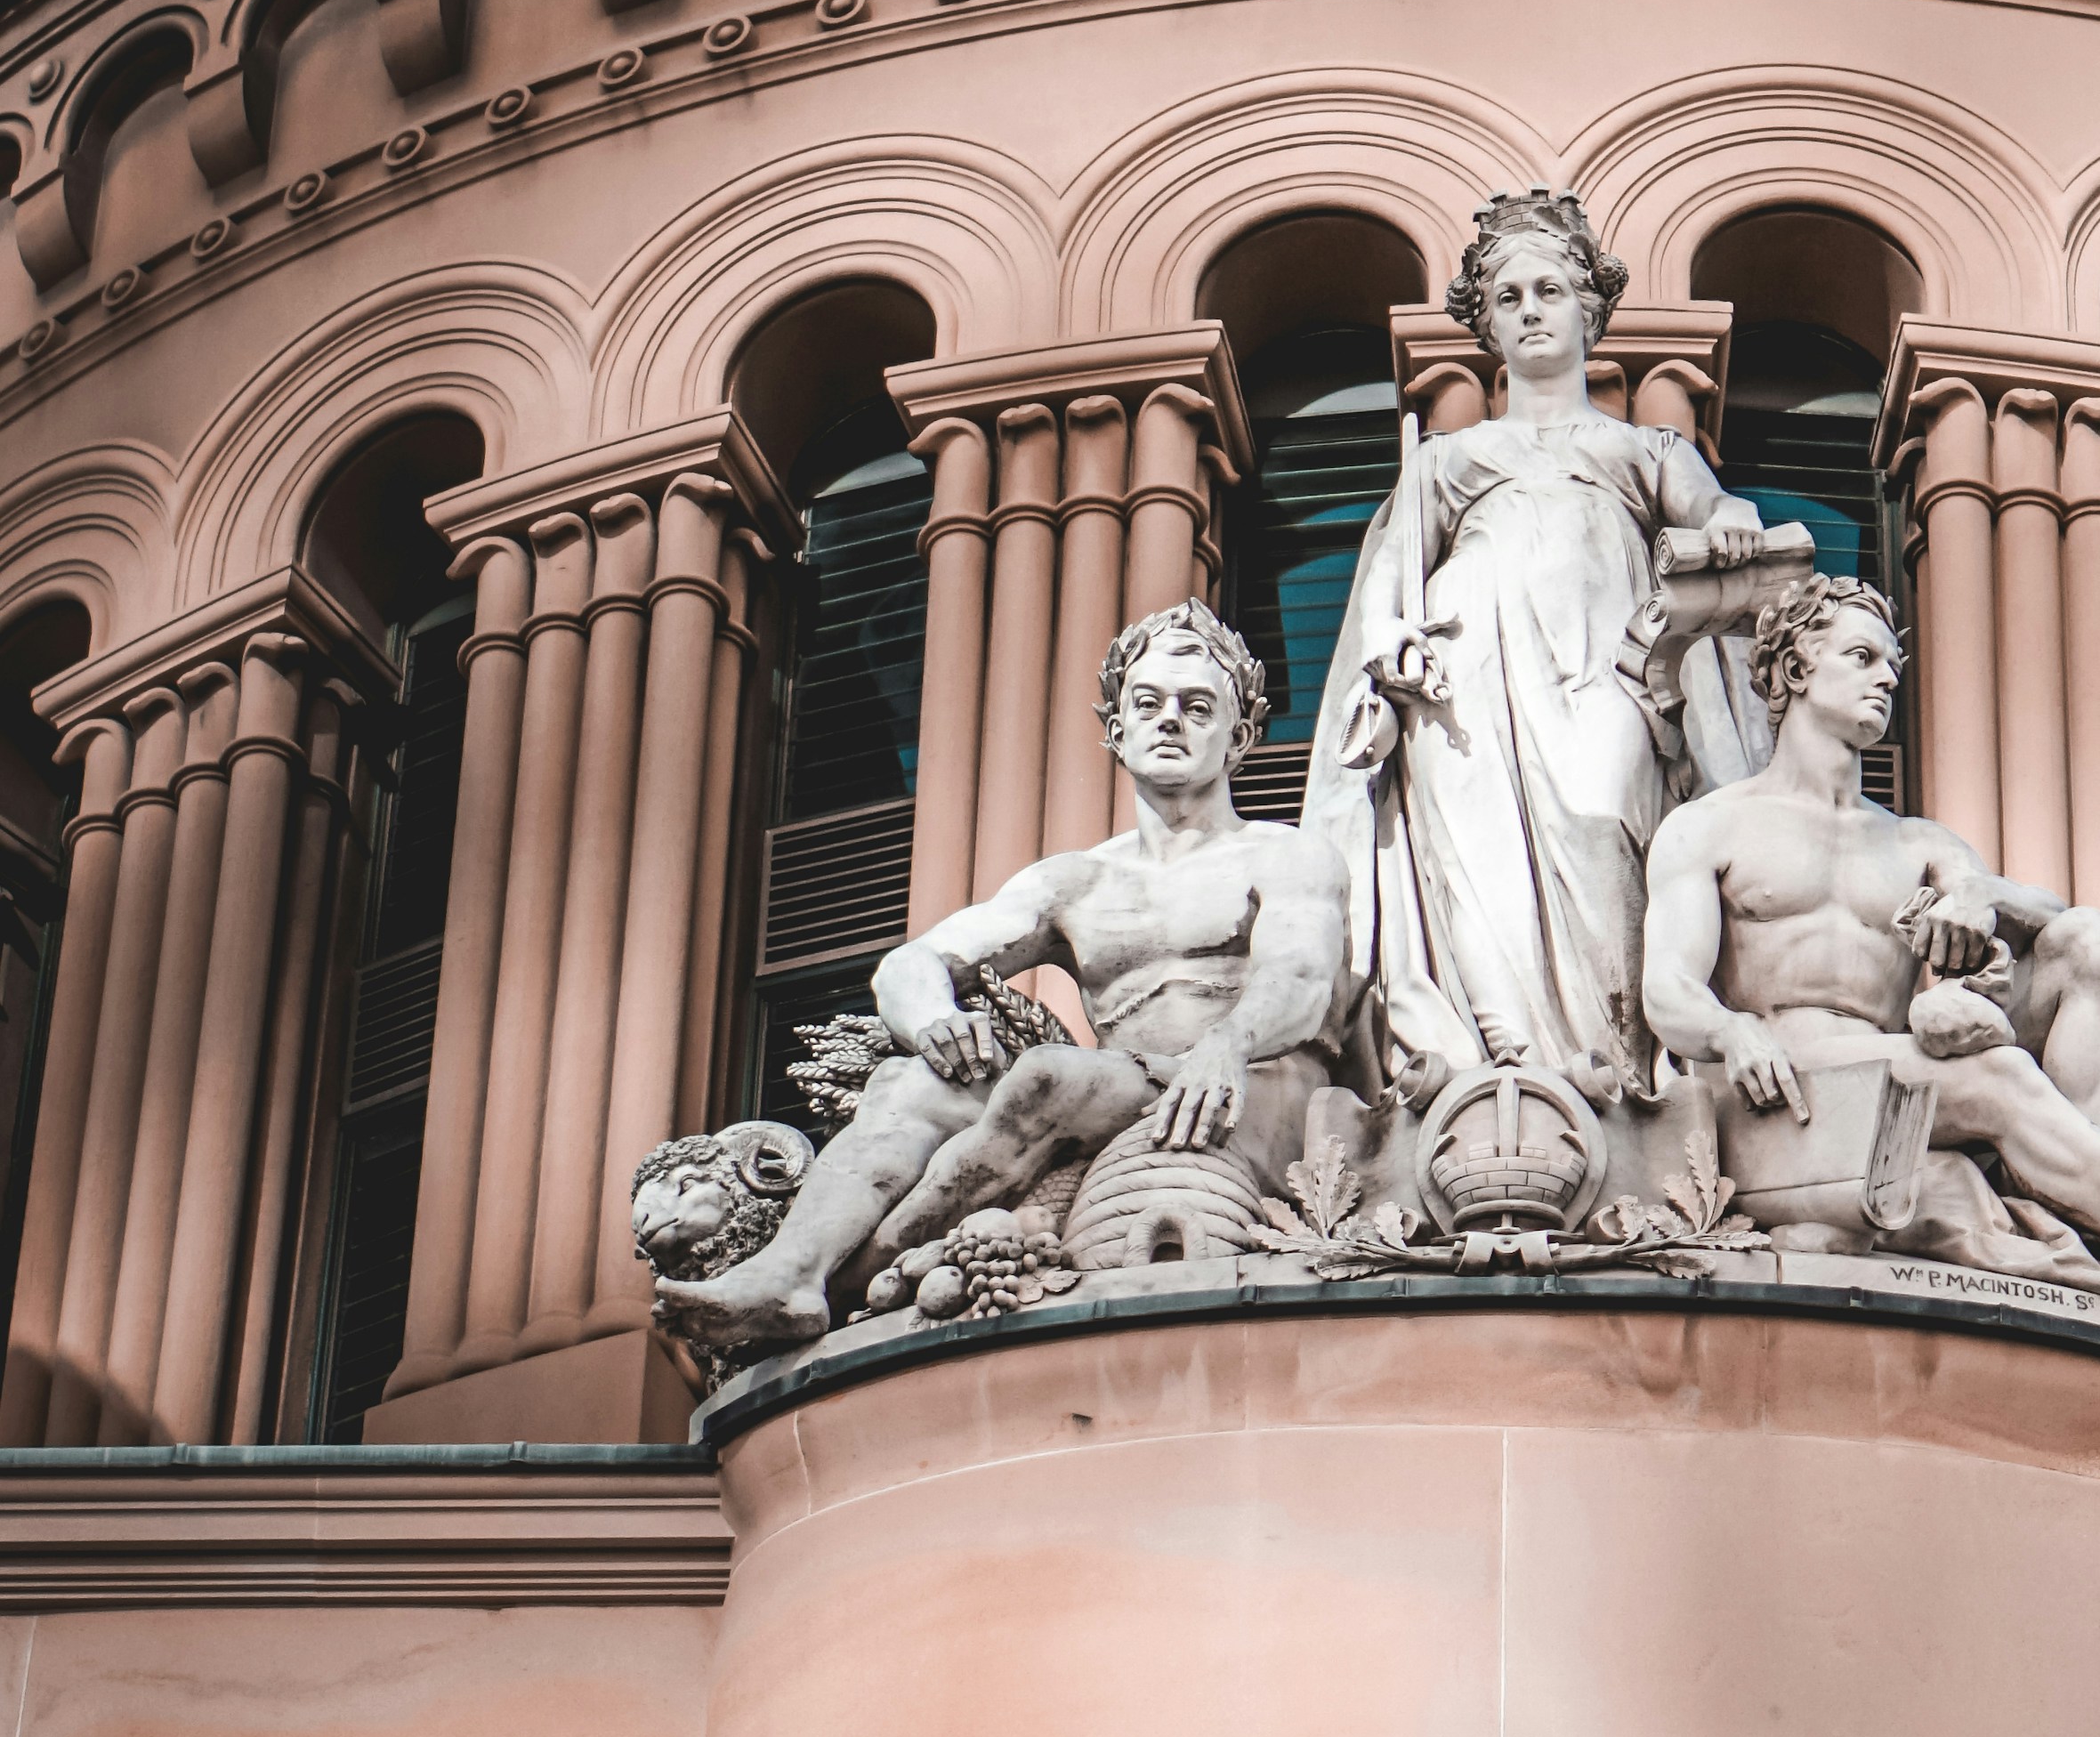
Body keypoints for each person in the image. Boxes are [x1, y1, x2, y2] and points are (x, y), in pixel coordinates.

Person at [1642, 570, 2100, 1349]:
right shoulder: (1712, 826)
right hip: (1775, 1105)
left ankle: (2081, 1212)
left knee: (2099, 942)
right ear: (1796, 670)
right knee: (1997, 1075)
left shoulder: (1920, 845)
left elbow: (2054, 933)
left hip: (1887, 1083)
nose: (1885, 680)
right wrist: (1729, 1031)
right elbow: (1667, 987)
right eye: (1861, 657)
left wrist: (1977, 901)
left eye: (1893, 667)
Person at [654, 599, 1349, 1353]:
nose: (1170, 720)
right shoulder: (1075, 883)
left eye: (1196, 706)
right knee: (909, 1085)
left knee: (1049, 1076)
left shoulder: (1284, 855)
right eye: (1147, 704)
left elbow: (1301, 978)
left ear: (1238, 735)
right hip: (1132, 1087)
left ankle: (857, 1281)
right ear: (1117, 732)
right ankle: (790, 1275)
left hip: (1255, 1092)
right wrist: (935, 1025)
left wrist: (1228, 1043)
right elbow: (909, 965)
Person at [1305, 186, 1774, 1104]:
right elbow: (1383, 594)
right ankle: (1501, 1071)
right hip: (1467, 675)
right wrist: (1391, 647)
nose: (1530, 311)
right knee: (1473, 865)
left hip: (1608, 663)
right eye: (1509, 297)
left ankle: (1618, 1072)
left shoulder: (1647, 450)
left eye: (1549, 290)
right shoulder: (1444, 462)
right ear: (1488, 323)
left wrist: (1732, 520)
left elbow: (1722, 514)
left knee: (1607, 823)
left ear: (1589, 310)